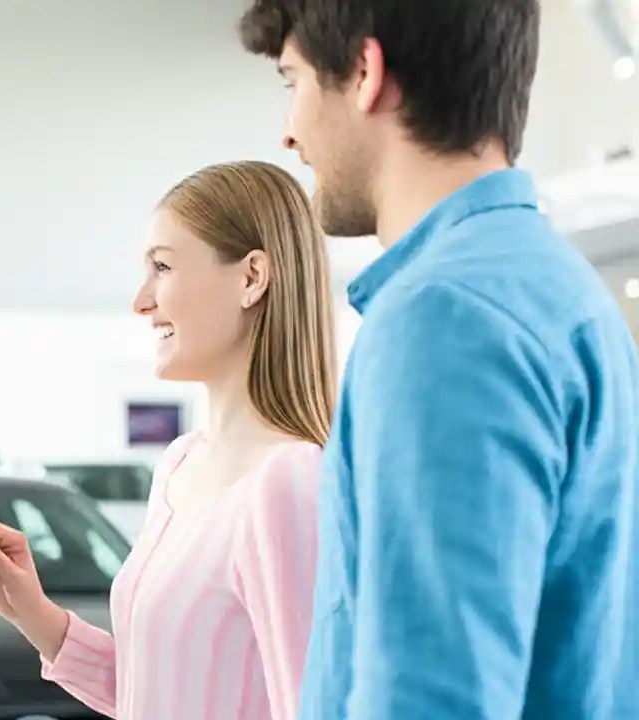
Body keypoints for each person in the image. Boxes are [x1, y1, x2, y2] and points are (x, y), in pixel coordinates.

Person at [237, 2, 639, 719]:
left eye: (292, 80)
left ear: (364, 71)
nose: (289, 131)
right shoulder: (557, 289)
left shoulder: (444, 319)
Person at [0, 160, 337, 719]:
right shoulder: (179, 463)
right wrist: (37, 617)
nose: (142, 300)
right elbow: (162, 696)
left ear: (251, 278)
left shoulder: (290, 482)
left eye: (162, 266)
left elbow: (313, 709)